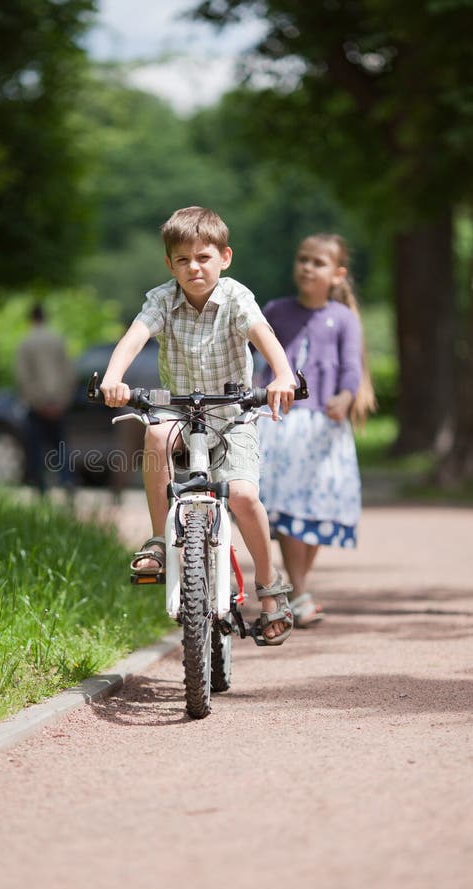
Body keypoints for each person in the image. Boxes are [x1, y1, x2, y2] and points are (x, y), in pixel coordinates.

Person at [100, 206, 299, 644]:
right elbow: (134, 337)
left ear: (224, 257)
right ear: (169, 264)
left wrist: (282, 375)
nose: (194, 267)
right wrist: (114, 378)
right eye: (183, 259)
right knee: (154, 431)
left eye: (204, 257)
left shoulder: (235, 297)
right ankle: (157, 538)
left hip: (232, 415)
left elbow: (264, 335)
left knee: (244, 496)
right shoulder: (161, 300)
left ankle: (269, 588)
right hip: (181, 411)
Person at [257, 233, 377, 627]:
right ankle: (302, 591)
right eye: (303, 259)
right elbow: (257, 362)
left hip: (325, 429)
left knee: (315, 512)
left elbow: (351, 368)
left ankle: (297, 587)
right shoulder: (275, 310)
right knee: (291, 508)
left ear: (338, 275)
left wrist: (345, 397)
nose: (308, 267)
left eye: (318, 262)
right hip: (283, 423)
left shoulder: (343, 319)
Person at [15, 304, 76, 494]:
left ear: (31, 319)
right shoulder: (57, 340)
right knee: (61, 446)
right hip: (59, 402)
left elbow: (23, 377)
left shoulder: (25, 342)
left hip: (37, 404)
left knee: (36, 447)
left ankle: (40, 486)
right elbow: (69, 373)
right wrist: (61, 401)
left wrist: (38, 402)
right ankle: (67, 480)